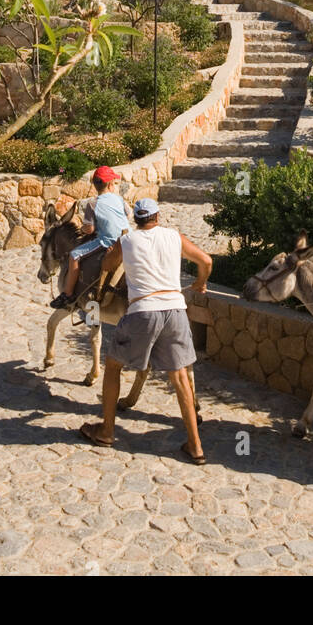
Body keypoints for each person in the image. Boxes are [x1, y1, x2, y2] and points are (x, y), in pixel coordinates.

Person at [79, 197, 212, 463]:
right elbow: (206, 261)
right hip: (175, 310)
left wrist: (116, 252)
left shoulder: (127, 241)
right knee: (180, 377)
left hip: (143, 311)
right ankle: (195, 445)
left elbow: (106, 265)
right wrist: (200, 282)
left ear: (136, 220)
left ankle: (106, 430)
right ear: (158, 217)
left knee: (114, 365)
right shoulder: (174, 237)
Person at [49, 165, 131, 309]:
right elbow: (128, 215)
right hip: (128, 237)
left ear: (94, 185)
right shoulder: (119, 199)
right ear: (111, 184)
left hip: (108, 241)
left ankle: (68, 294)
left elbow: (90, 228)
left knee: (74, 255)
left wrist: (82, 228)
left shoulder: (93, 204)